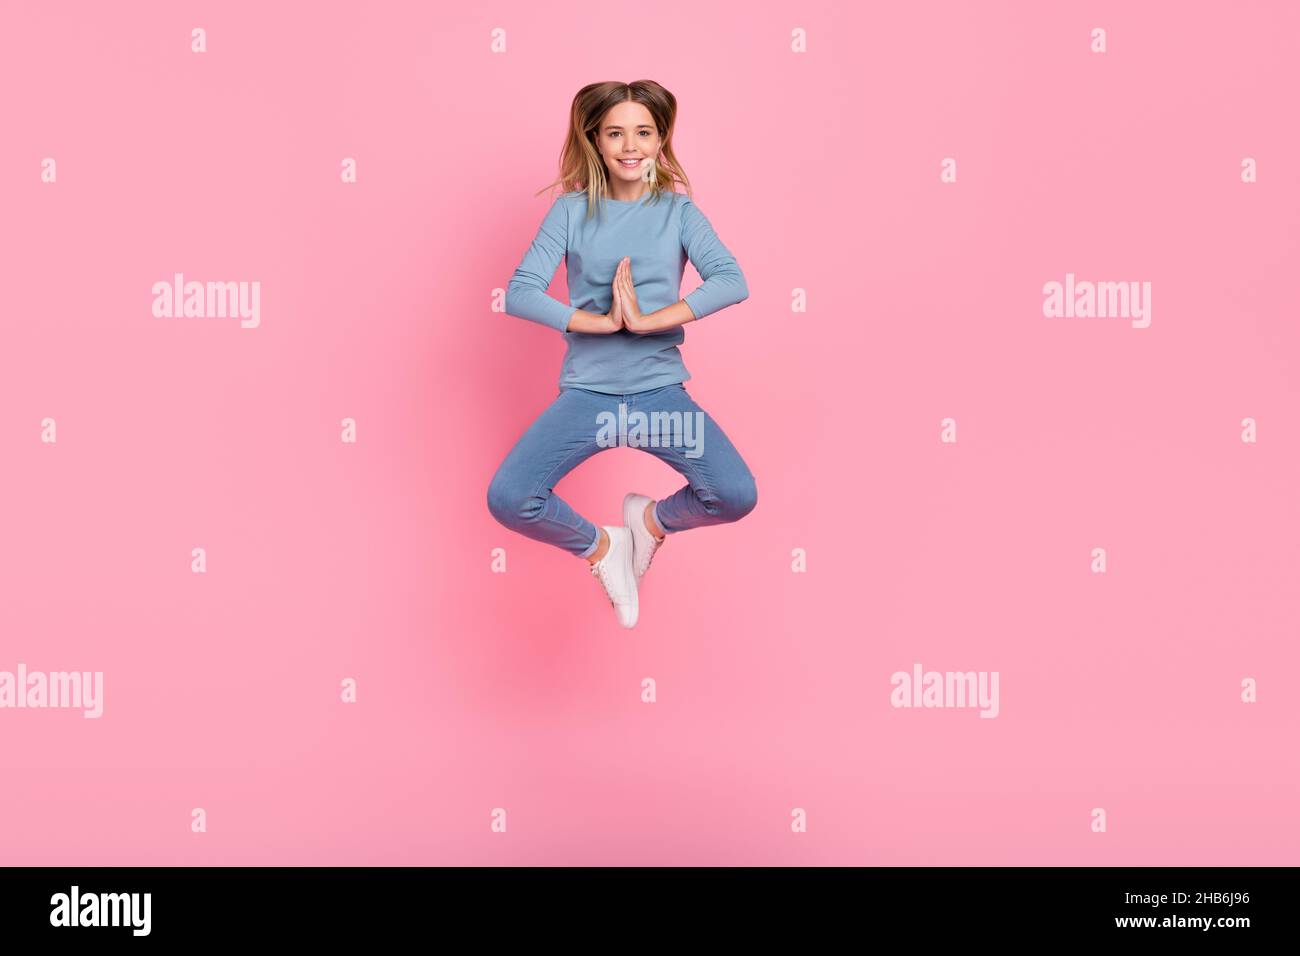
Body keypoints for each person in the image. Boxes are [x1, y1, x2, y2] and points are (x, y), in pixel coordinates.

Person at [487, 80, 757, 629]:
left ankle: (650, 522)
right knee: (511, 497)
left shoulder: (678, 213)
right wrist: (603, 323)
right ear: (595, 140)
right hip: (588, 395)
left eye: (644, 132)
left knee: (732, 495)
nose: (630, 145)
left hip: (660, 395)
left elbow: (732, 280)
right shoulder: (570, 211)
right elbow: (520, 291)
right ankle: (605, 549)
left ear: (661, 141)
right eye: (615, 132)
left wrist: (649, 320)